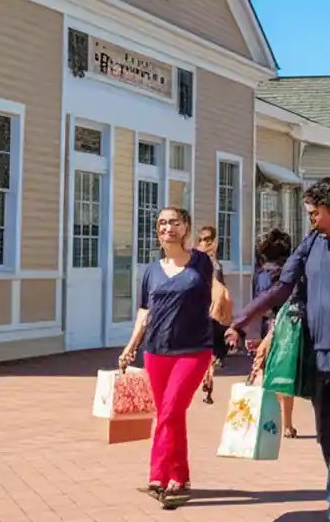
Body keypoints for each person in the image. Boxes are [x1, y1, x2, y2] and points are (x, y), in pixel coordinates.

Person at [226, 178, 330, 522]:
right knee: (327, 434)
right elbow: (282, 288)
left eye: (315, 211)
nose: (311, 217)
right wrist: (242, 319)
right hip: (318, 354)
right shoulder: (312, 243)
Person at [117, 207, 214, 509]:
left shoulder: (201, 263)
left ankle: (158, 477)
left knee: (171, 411)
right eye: (162, 223)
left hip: (194, 350)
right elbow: (145, 312)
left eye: (174, 222)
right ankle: (180, 475)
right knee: (170, 415)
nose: (167, 228)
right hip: (156, 351)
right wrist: (131, 345)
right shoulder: (150, 271)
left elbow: (215, 293)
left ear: (186, 228)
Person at [251, 228, 296, 438]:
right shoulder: (286, 275)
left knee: (262, 372)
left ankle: (265, 420)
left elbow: (256, 303)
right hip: (284, 326)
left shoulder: (260, 274)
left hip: (264, 325)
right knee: (284, 376)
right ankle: (286, 424)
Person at [194, 226, 231, 405]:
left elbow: (221, 290)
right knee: (206, 352)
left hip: (214, 313)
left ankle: (208, 384)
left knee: (211, 352)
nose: (204, 243)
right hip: (201, 311)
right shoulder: (197, 262)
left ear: (215, 242)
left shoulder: (215, 265)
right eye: (201, 240)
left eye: (208, 240)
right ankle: (207, 383)